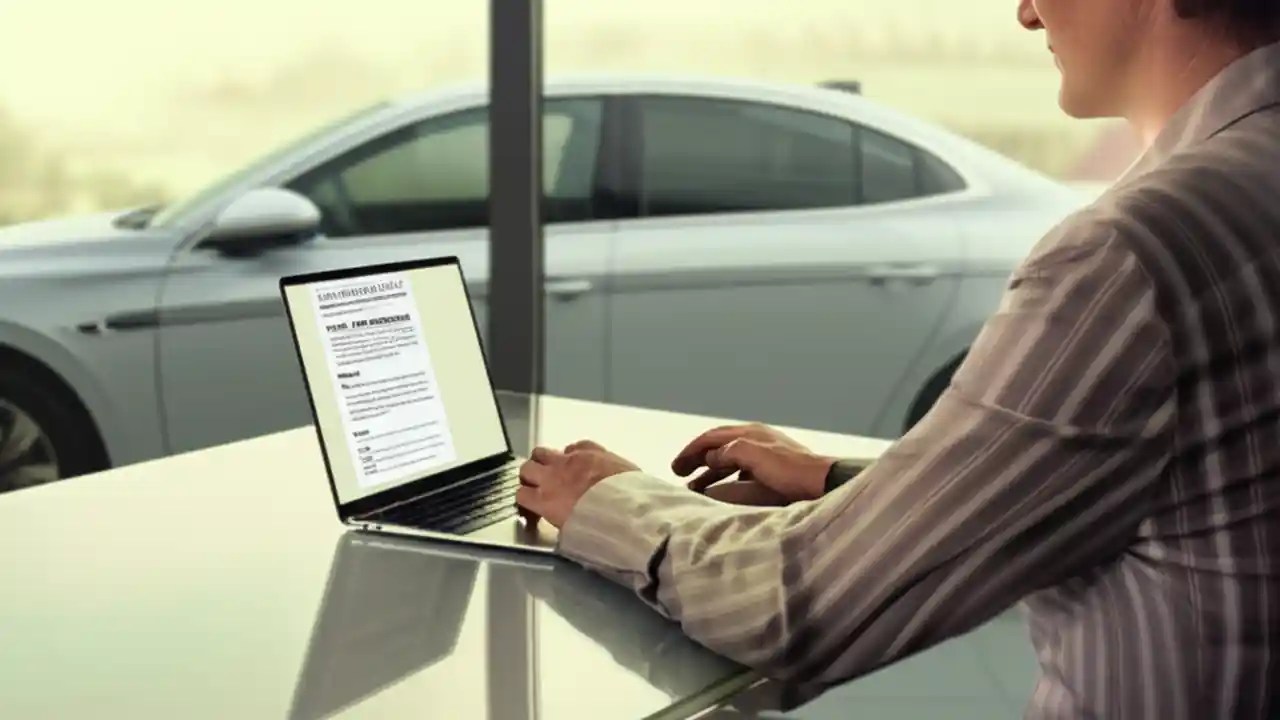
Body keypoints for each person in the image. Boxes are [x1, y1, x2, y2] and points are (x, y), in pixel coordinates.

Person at [515, 0, 1280, 717]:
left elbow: (806, 602)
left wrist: (606, 503)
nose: (1024, 12)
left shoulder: (1129, 256)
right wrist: (842, 483)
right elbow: (1172, 487)